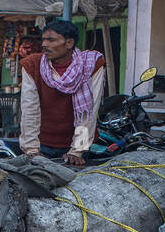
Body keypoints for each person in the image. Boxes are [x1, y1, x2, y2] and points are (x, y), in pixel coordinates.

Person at [18, 20, 105, 166]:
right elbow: (29, 109)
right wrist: (31, 149)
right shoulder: (32, 64)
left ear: (69, 43)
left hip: (75, 145)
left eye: (51, 40)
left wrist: (77, 151)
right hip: (41, 143)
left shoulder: (91, 64)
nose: (44, 44)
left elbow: (88, 111)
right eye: (43, 40)